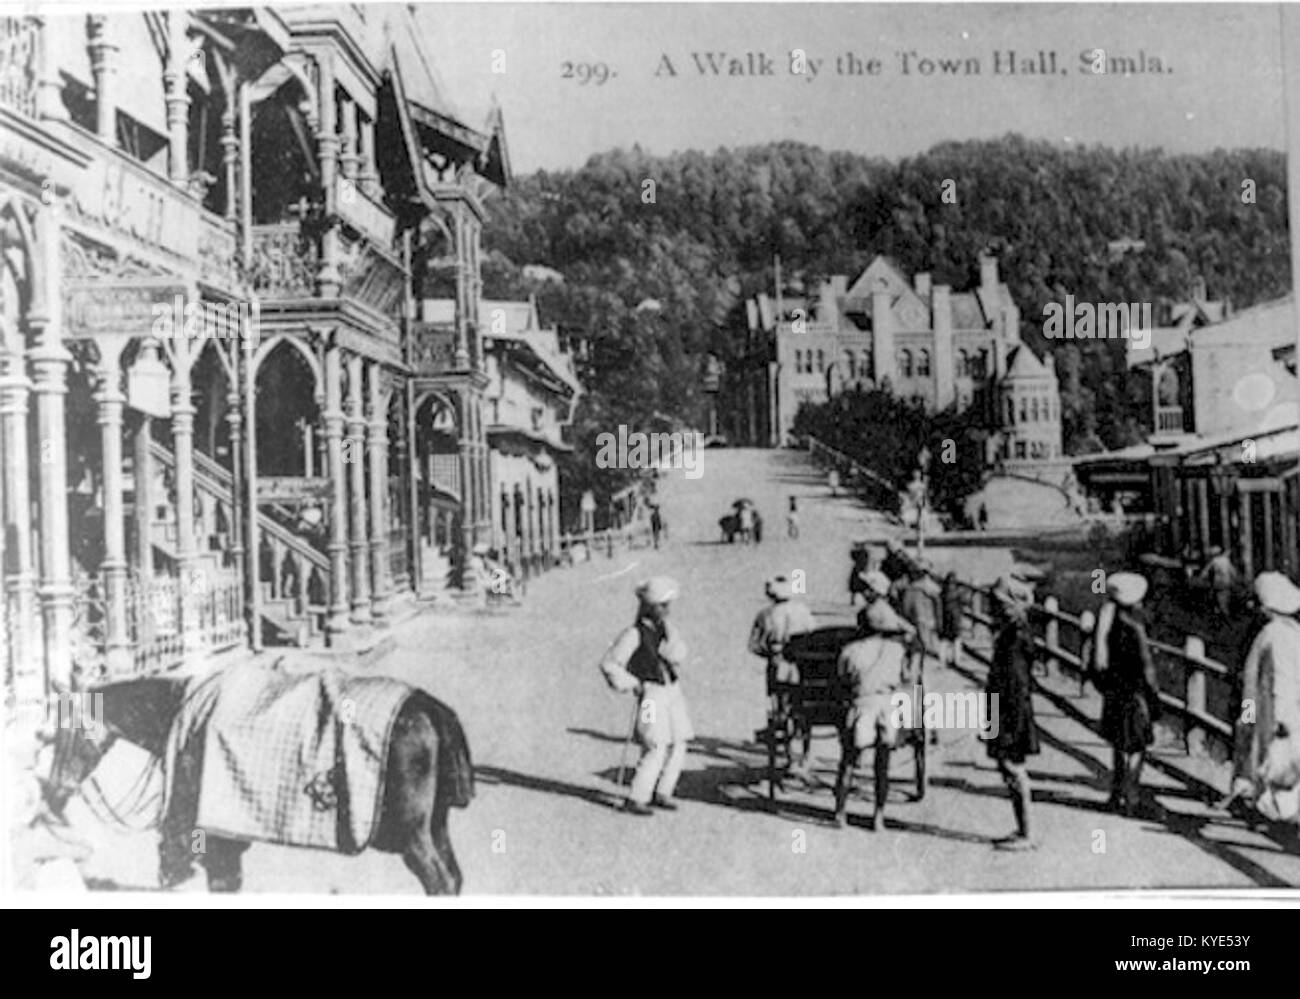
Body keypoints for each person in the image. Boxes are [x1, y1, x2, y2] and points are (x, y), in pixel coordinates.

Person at [598, 577, 694, 816]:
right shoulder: (633, 633)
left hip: (672, 690)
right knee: (654, 744)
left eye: (668, 604)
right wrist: (632, 683)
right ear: (649, 606)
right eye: (662, 605)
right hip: (651, 694)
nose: (667, 610)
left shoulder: (668, 628)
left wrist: (673, 649)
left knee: (679, 741)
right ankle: (638, 796)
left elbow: (680, 653)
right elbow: (609, 664)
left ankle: (663, 790)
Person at [834, 591, 912, 830]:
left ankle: (840, 813)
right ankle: (878, 816)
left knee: (847, 761)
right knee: (882, 765)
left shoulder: (849, 651)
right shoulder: (896, 651)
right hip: (886, 708)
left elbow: (842, 679)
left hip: (861, 707)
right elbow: (905, 679)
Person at [1230, 572, 1300, 823]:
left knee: (1260, 748)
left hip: (1268, 706)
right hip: (1280, 705)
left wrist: (1250, 714)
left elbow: (1276, 678)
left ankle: (1264, 805)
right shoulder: (1293, 633)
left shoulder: (1271, 634)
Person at [1098, 572, 1161, 817]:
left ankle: (1116, 794)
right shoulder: (1135, 627)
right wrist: (1154, 696)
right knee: (1137, 747)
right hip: (1136, 695)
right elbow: (1147, 668)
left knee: (1118, 743)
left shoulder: (1108, 620)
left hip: (1115, 691)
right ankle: (1132, 798)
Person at [985, 575, 1040, 851]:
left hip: (1010, 713)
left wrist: (1001, 725)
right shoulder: (1013, 632)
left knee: (1013, 767)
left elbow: (1015, 686)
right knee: (1008, 768)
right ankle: (1022, 829)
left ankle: (1027, 833)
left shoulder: (1014, 638)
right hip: (1003, 711)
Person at [749, 576, 817, 776]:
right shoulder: (803, 610)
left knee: (781, 711)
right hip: (802, 667)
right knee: (804, 710)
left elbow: (754, 645)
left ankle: (789, 756)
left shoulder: (765, 615)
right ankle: (806, 753)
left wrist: (771, 651)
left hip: (778, 667)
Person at [1197, 546, 1237, 620]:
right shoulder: (1226, 560)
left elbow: (1205, 571)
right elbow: (1233, 571)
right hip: (1226, 582)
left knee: (1218, 598)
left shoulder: (1214, 561)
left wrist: (1201, 577)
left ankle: (1222, 614)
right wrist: (1234, 579)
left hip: (1218, 582)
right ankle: (1225, 612)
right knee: (1225, 597)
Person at [939, 571, 966, 666]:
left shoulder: (943, 592)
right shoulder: (958, 592)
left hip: (945, 617)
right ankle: (957, 660)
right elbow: (962, 604)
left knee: (945, 639)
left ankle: (943, 660)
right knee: (956, 639)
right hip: (955, 618)